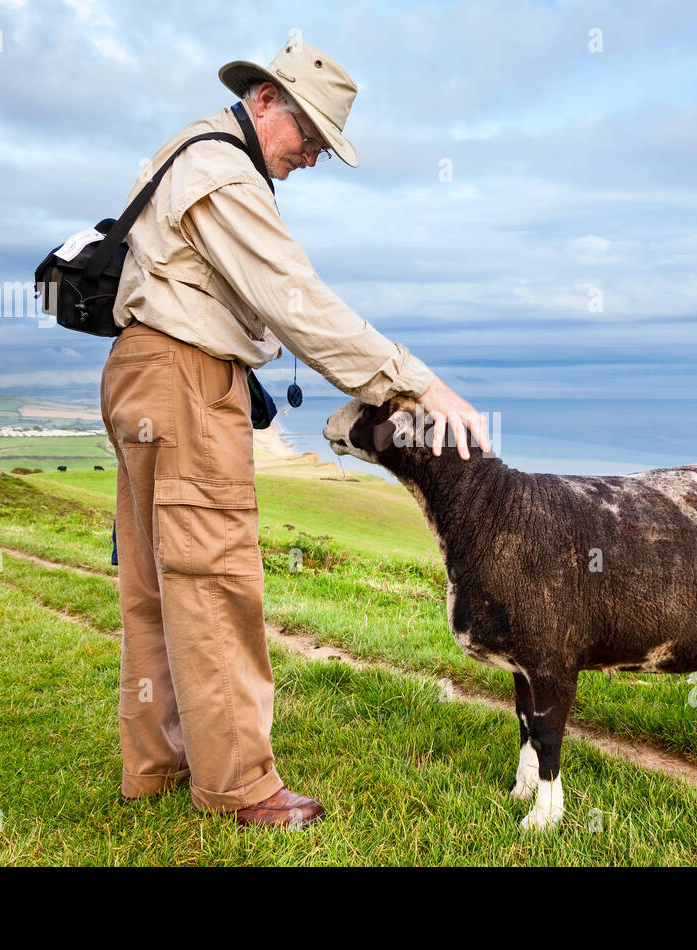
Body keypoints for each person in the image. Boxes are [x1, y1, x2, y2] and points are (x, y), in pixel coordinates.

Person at [99, 38, 490, 829]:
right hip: (183, 379)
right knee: (213, 581)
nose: (310, 157)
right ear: (267, 99)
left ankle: (154, 767)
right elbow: (298, 303)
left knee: (154, 586)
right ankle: (240, 786)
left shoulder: (186, 150)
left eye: (321, 147)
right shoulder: (224, 172)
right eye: (308, 136)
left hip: (140, 371)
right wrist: (416, 381)